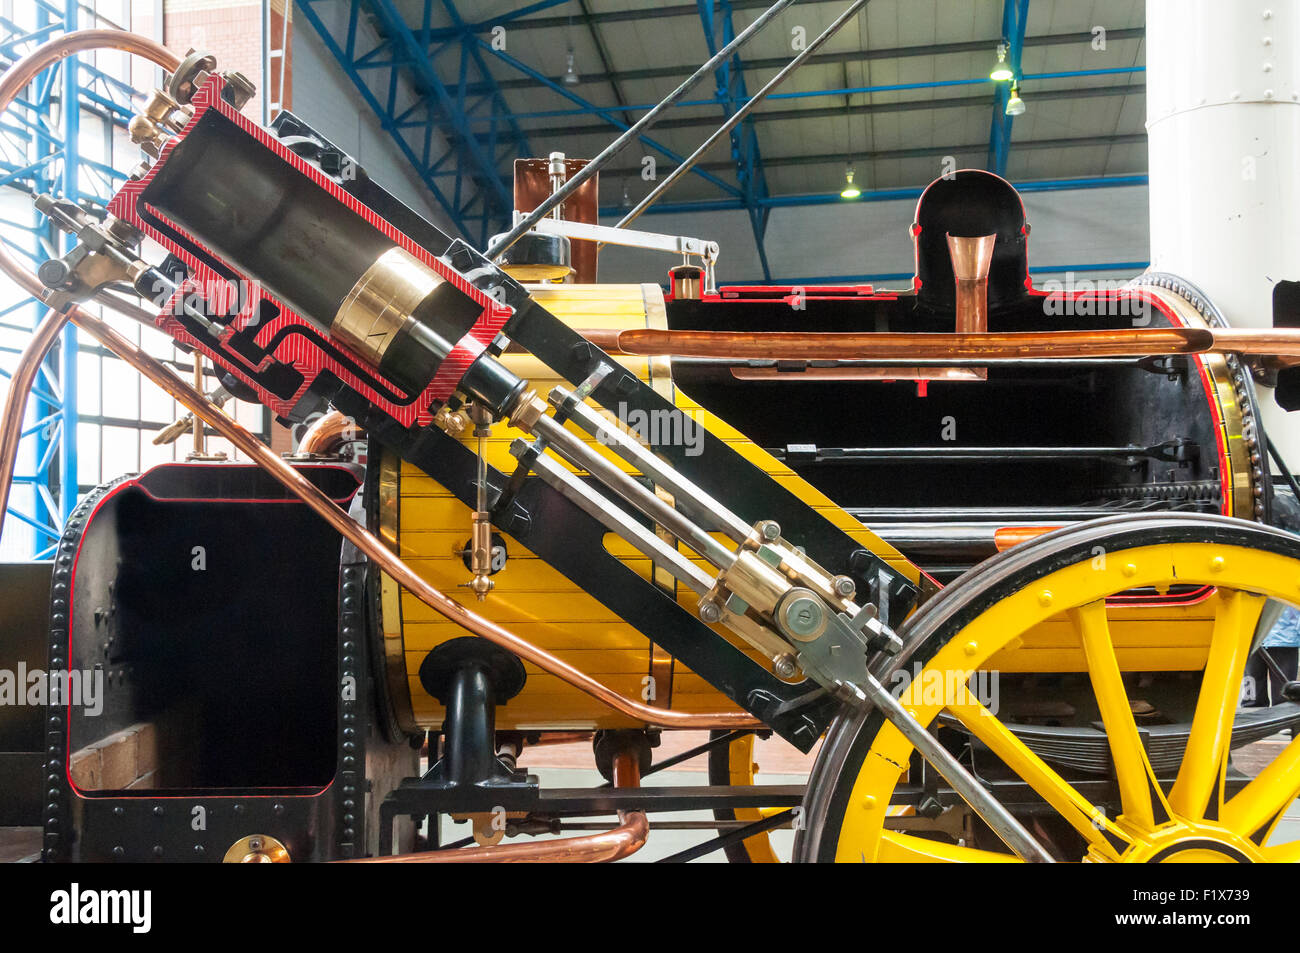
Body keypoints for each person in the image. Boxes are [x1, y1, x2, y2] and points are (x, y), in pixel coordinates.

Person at [1243, 606, 1300, 707]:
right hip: (1251, 637)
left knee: (1284, 698)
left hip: (1285, 639)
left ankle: (1284, 720)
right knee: (1252, 698)